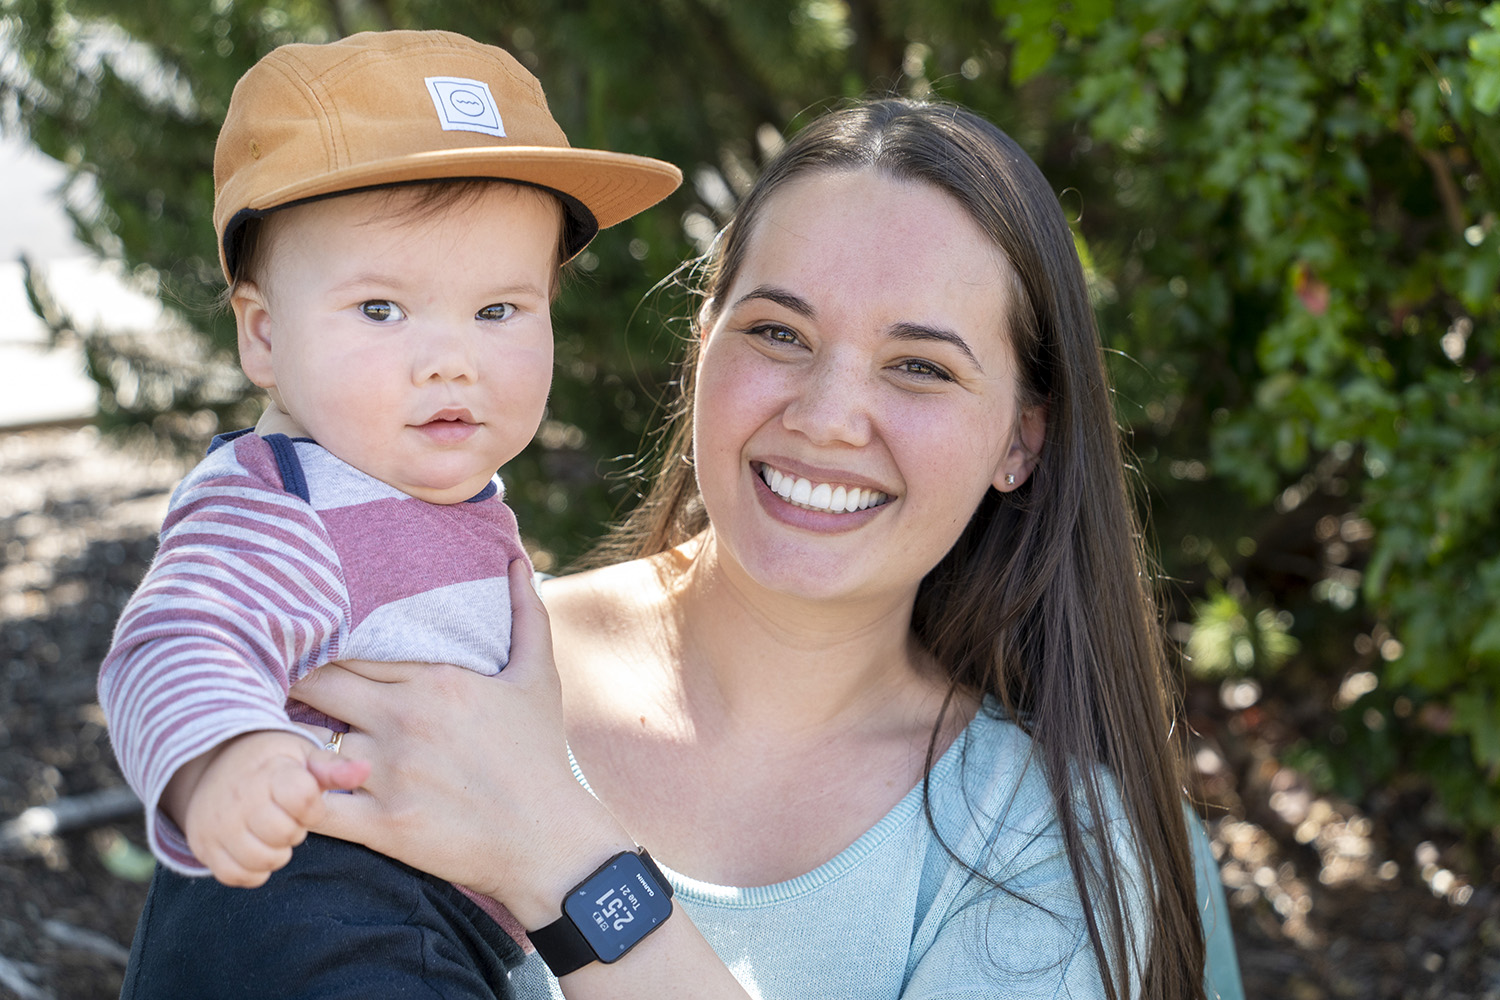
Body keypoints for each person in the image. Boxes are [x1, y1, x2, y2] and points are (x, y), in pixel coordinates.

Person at [281, 98, 1243, 1000]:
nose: (826, 420)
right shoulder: (432, 659)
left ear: (1020, 441)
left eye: (919, 366)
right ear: (702, 349)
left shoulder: (1048, 839)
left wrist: (563, 861)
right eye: (779, 333)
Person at [101, 29, 678, 995]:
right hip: (315, 902)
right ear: (265, 338)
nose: (451, 358)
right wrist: (225, 759)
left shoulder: (409, 484)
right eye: (381, 309)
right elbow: (173, 637)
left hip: (428, 906)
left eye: (499, 311)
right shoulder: (286, 503)